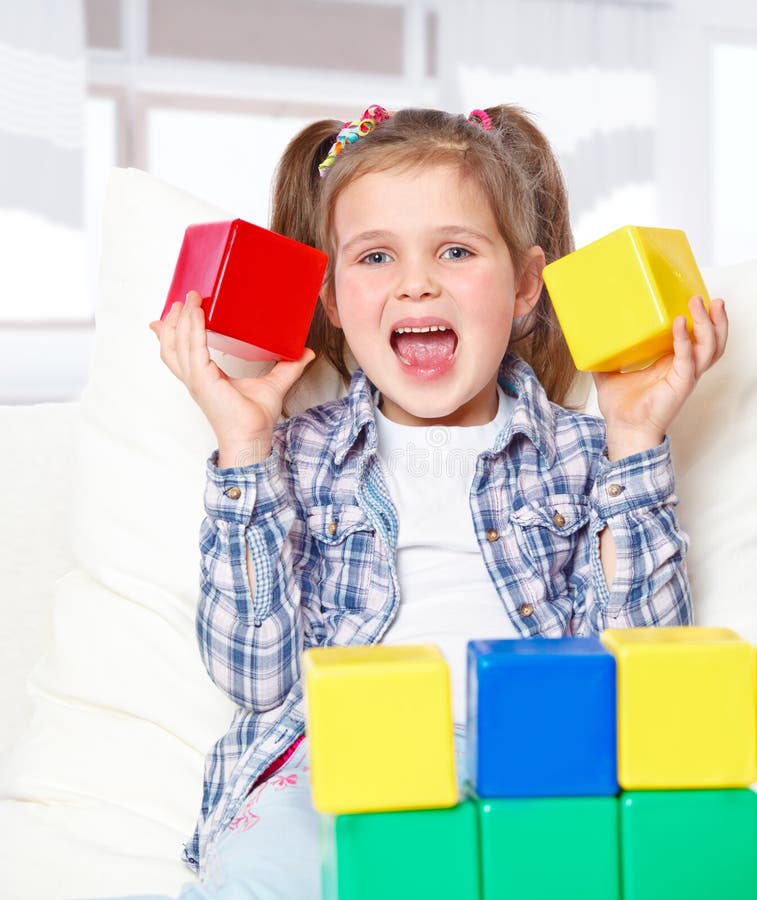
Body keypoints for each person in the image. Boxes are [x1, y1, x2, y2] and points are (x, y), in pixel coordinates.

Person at [146, 104, 728, 899]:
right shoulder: (297, 453)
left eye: (454, 251)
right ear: (330, 296)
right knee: (257, 877)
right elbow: (254, 679)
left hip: (533, 762)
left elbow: (643, 668)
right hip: (337, 759)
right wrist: (244, 448)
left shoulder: (584, 452)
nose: (415, 282)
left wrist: (633, 441)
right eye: (375, 256)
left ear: (524, 286)